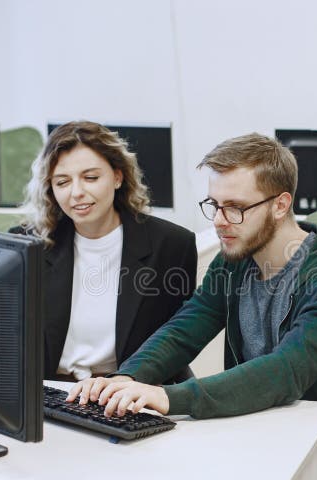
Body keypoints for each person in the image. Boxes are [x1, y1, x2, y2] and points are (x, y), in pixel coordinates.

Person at [66, 133, 317, 480]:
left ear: (281, 204)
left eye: (236, 208)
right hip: (266, 439)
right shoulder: (235, 262)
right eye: (215, 205)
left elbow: (286, 371)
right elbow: (184, 329)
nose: (220, 221)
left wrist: (166, 397)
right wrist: (127, 377)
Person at [13, 121, 197, 381]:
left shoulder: (171, 245)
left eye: (91, 178)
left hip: (125, 391)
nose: (77, 192)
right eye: (63, 182)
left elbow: (177, 342)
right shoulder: (26, 245)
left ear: (118, 177)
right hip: (49, 391)